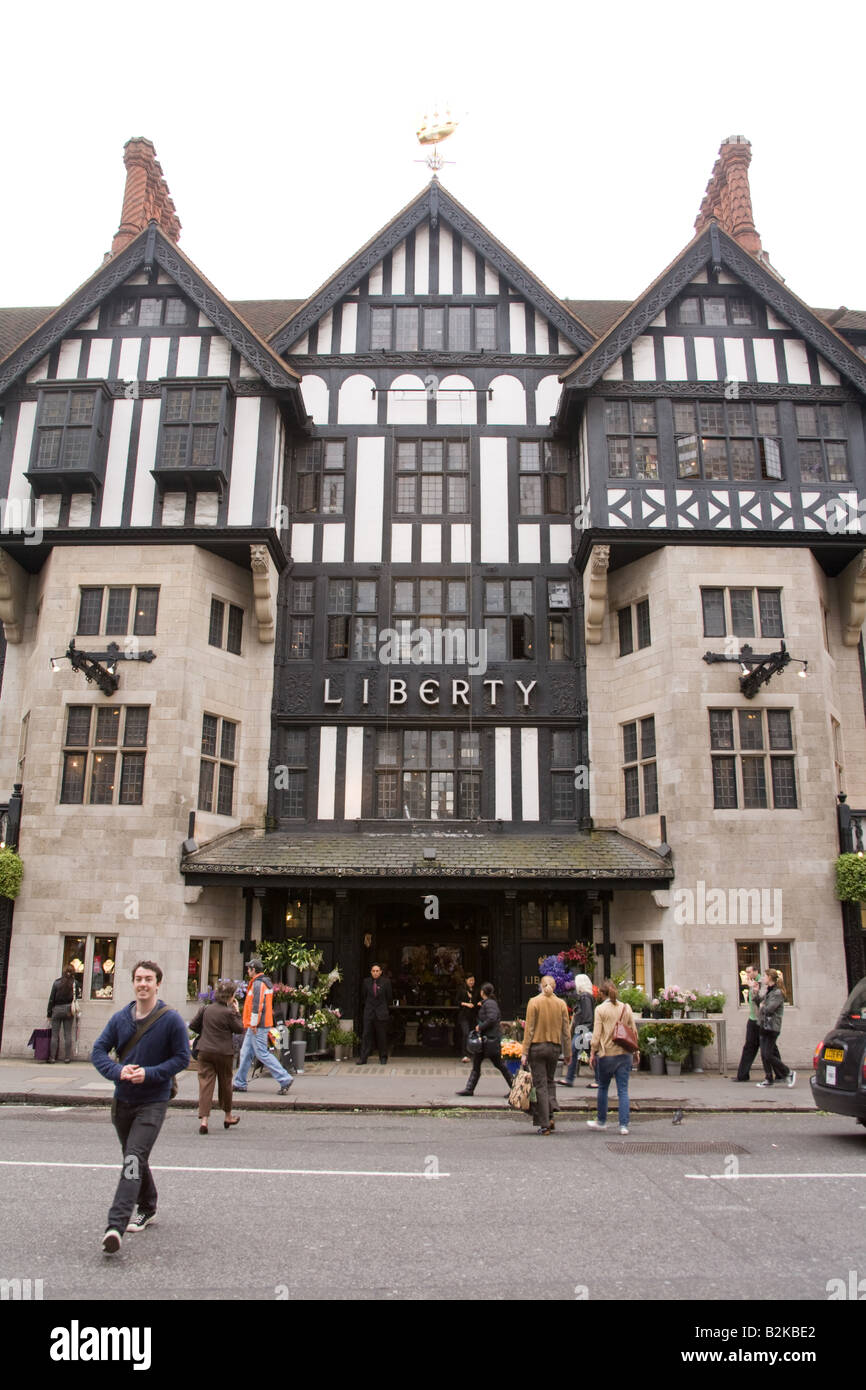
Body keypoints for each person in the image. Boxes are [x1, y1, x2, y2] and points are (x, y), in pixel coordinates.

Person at [91, 960, 190, 1255]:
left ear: (158, 984)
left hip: (153, 1101)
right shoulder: (121, 1018)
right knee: (134, 1156)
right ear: (133, 983)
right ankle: (148, 1205)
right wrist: (117, 1071)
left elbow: (182, 1058)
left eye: (148, 979)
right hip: (123, 1101)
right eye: (138, 979)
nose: (143, 984)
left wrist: (149, 1073)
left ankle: (115, 1226)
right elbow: (97, 1051)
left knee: (132, 1159)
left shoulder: (170, 1019)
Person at [188, 980, 245, 1133]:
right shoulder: (229, 1013)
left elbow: (193, 1025)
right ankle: (228, 1116)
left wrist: (206, 1032)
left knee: (206, 1084)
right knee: (225, 1083)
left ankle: (204, 1121)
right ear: (231, 996)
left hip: (205, 1050)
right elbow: (240, 1029)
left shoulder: (205, 1009)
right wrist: (237, 1012)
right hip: (224, 1052)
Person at [232, 957, 294, 1094]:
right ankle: (239, 1082)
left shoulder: (258, 984)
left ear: (254, 970)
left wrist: (253, 1023)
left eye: (249, 968)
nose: (247, 970)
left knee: (262, 1053)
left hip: (257, 1025)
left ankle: (285, 1078)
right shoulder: (262, 983)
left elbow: (257, 1005)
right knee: (246, 1052)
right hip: (256, 1024)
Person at [520, 975, 571, 1134]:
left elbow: (529, 1030)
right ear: (554, 987)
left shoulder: (534, 1002)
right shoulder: (561, 1004)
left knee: (540, 1085)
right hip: (554, 1048)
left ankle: (544, 1124)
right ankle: (550, 1115)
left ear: (541, 986)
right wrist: (568, 1052)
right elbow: (566, 1032)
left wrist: (524, 1052)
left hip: (537, 1047)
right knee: (550, 1081)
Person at [586, 979, 637, 1135]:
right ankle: (623, 1125)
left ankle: (601, 1121)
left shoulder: (600, 1009)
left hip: (607, 1054)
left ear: (602, 993)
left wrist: (593, 1052)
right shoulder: (626, 1008)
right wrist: (637, 1052)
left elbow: (596, 1035)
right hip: (624, 1054)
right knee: (623, 1090)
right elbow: (633, 1031)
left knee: (603, 1087)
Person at [456, 982, 514, 1097]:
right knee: (476, 1064)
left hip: (490, 1040)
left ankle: (515, 1087)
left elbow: (492, 1018)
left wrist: (480, 1026)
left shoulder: (490, 1004)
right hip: (485, 1040)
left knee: (500, 1065)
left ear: (483, 992)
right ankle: (469, 1088)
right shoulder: (488, 1003)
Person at [756, 968, 797, 1088]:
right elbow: (759, 1002)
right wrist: (755, 992)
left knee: (768, 1054)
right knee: (764, 1054)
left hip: (772, 1027)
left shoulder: (777, 993)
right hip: (764, 1025)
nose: (763, 978)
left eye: (764, 976)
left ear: (769, 977)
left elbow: (769, 1009)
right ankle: (768, 1078)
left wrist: (762, 1006)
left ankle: (788, 1072)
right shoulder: (769, 991)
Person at [560, 973, 594, 1086]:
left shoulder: (585, 997)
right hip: (583, 1029)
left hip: (583, 1030)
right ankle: (598, 1078)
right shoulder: (585, 996)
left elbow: (588, 1015)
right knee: (587, 1052)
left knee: (573, 1050)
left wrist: (584, 1030)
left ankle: (569, 1078)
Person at [357, 963, 393, 1065]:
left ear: (381, 972)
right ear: (371, 972)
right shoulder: (366, 982)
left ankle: (383, 1057)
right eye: (373, 971)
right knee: (366, 1035)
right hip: (369, 1012)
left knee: (381, 1036)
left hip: (381, 1012)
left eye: (377, 971)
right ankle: (363, 1058)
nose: (375, 973)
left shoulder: (386, 982)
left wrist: (384, 1008)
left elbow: (389, 997)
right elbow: (363, 996)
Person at [732, 965, 763, 1082]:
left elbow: (762, 1000)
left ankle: (781, 1073)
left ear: (756, 971)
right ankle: (742, 1075)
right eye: (746, 972)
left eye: (749, 972)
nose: (747, 974)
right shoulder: (752, 983)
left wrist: (755, 990)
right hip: (752, 1019)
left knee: (769, 1049)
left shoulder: (761, 982)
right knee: (749, 1047)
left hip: (760, 1020)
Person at [46, 965, 77, 1063]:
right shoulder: (75, 983)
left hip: (57, 1009)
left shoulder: (57, 983)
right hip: (68, 1009)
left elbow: (51, 999)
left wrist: (49, 1013)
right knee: (67, 1034)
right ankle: (67, 1057)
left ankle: (52, 1057)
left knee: (54, 1035)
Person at [456, 974, 478, 1062]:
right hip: (464, 1015)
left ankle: (472, 1052)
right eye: (470, 980)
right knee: (466, 1033)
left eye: (473, 980)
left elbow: (476, 1001)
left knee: (472, 1034)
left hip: (472, 1016)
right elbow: (456, 1001)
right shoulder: (462, 990)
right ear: (466, 980)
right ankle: (464, 1054)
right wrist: (466, 1004)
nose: (472, 982)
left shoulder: (475, 990)